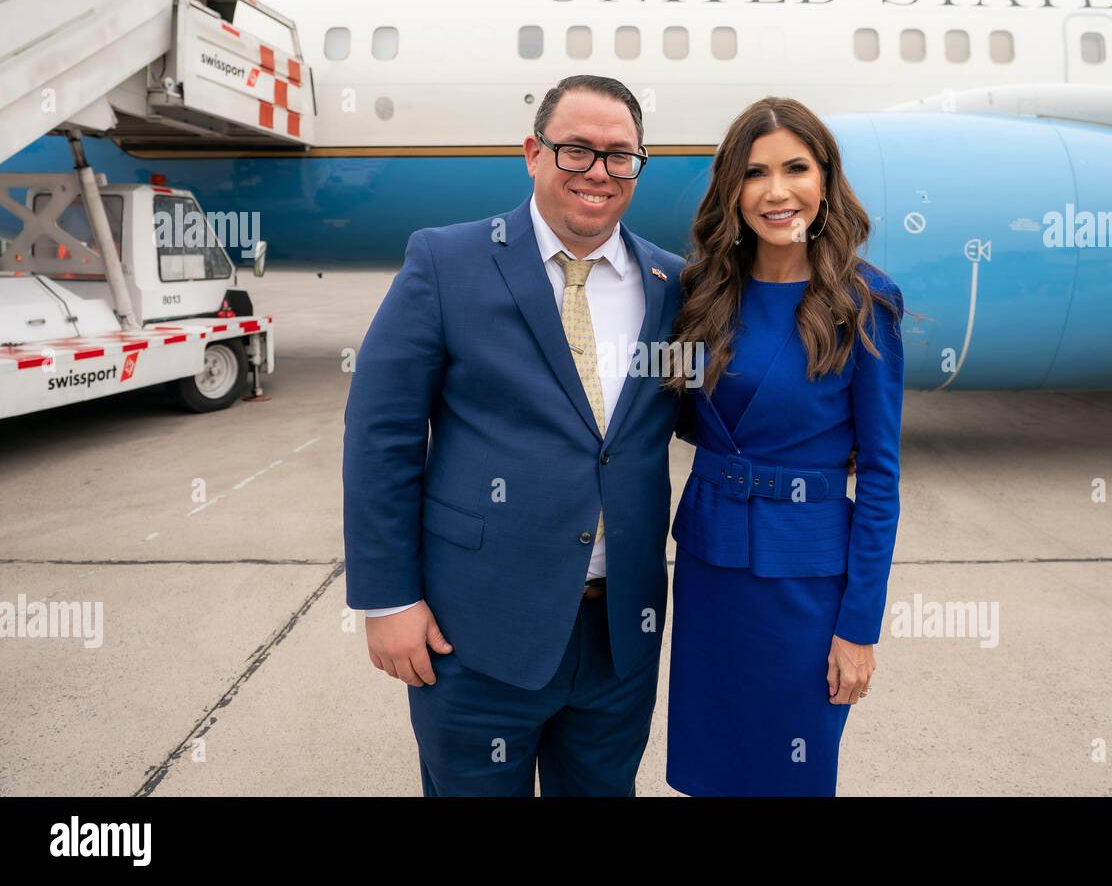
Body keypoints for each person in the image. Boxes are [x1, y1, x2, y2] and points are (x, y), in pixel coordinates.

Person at [342, 75, 687, 796]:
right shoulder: (446, 263)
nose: (598, 172)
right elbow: (382, 437)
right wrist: (387, 600)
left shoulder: (671, 285)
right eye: (576, 151)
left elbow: (706, 412)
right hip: (475, 634)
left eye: (620, 155)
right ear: (533, 153)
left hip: (619, 639)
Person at [663, 96, 906, 796]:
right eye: (754, 172)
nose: (776, 191)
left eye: (796, 168)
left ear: (825, 180)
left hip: (805, 585)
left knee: (790, 774)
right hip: (711, 570)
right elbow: (672, 413)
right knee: (712, 771)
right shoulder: (702, 295)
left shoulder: (866, 301)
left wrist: (859, 628)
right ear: (731, 190)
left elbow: (882, 478)